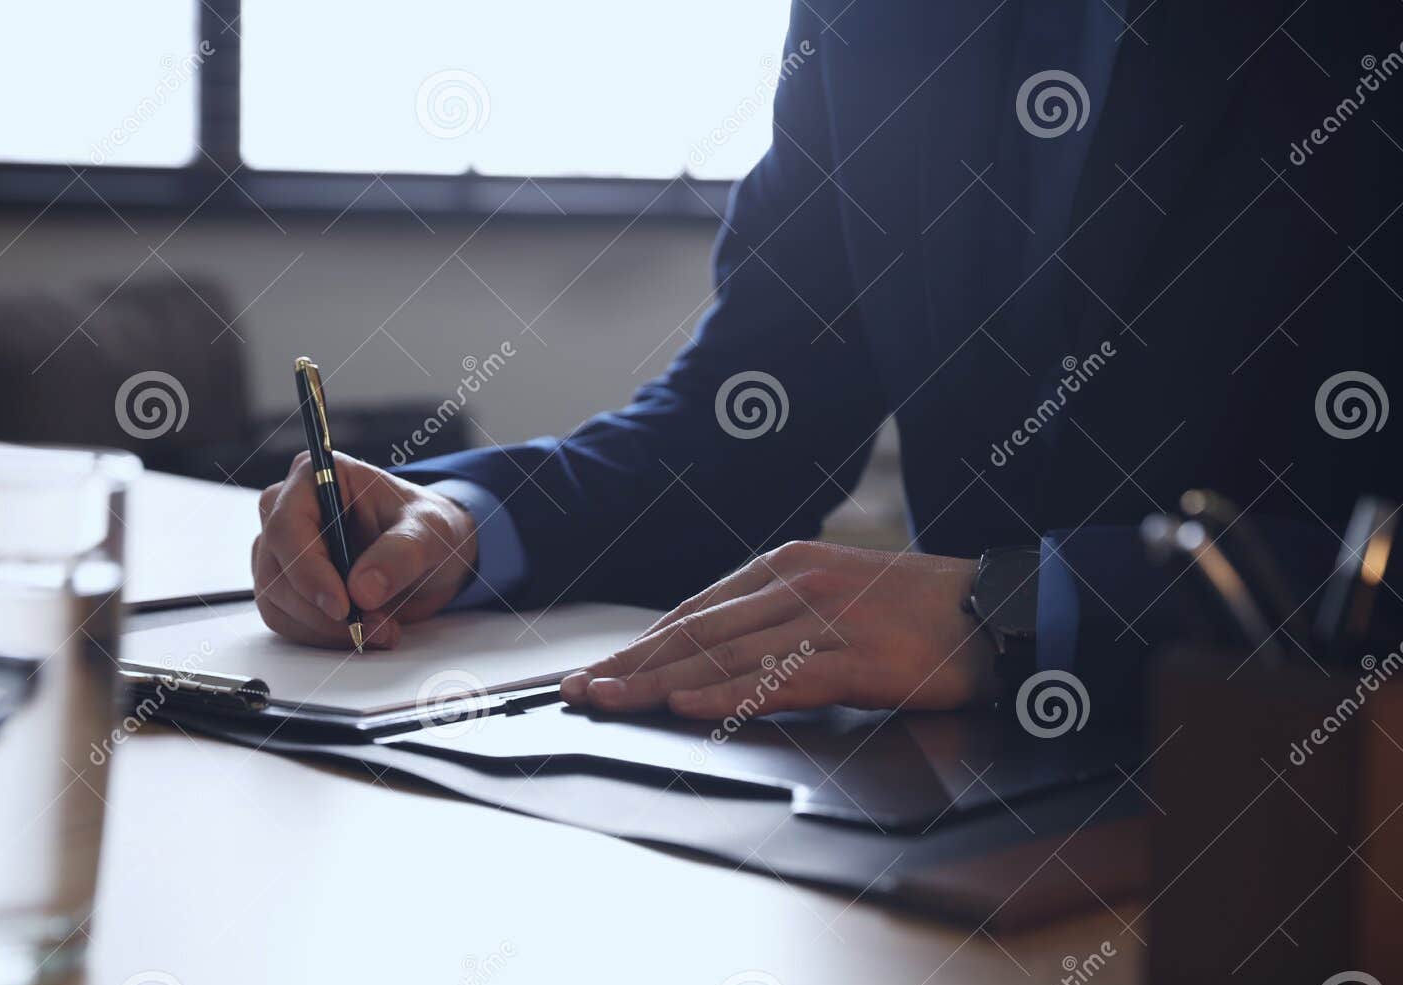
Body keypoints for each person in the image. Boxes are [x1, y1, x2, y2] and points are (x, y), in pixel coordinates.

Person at [252, 1, 1399, 721]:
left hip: (1325, 823)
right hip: (952, 828)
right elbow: (749, 416)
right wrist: (466, 517)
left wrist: (1024, 610)